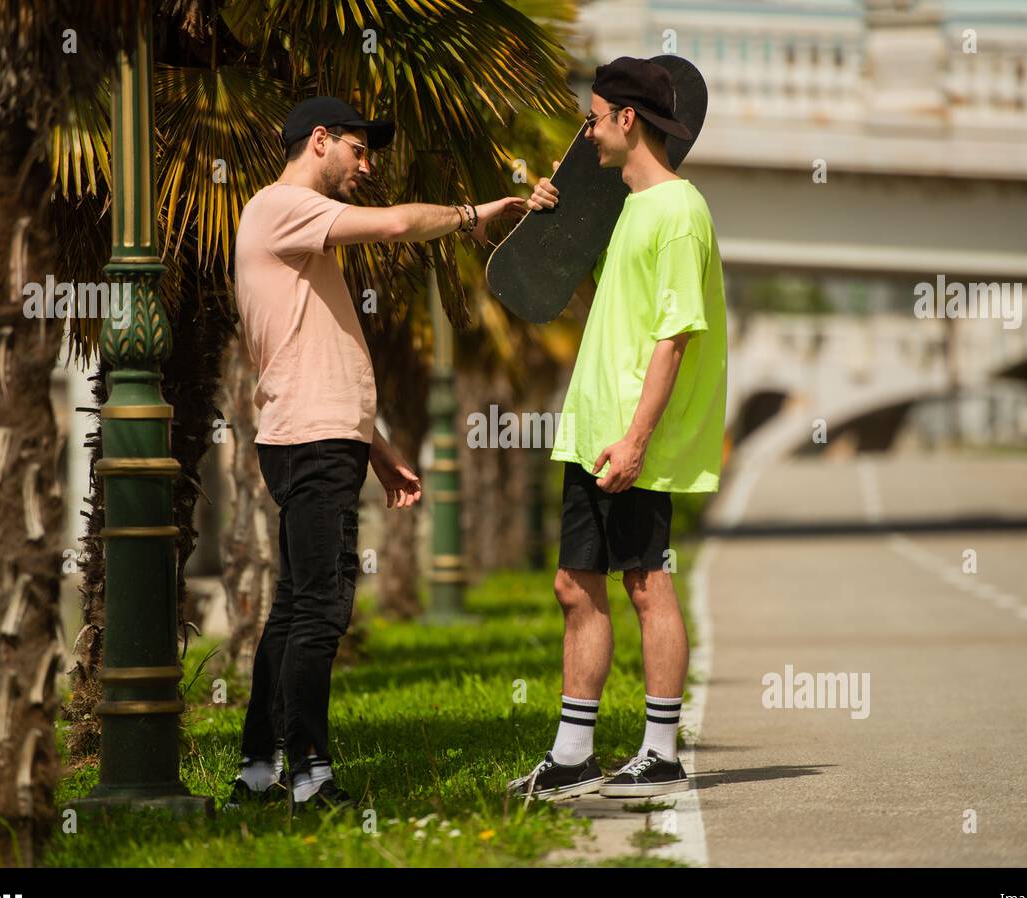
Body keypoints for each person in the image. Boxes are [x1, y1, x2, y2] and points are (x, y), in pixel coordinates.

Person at [228, 96, 526, 811]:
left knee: (296, 605)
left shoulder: (296, 233)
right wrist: (473, 216)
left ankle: (259, 770)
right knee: (322, 609)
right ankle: (311, 774)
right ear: (319, 140)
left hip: (318, 435)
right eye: (359, 151)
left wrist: (376, 446)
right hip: (312, 441)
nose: (368, 166)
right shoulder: (282, 206)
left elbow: (319, 353)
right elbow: (395, 225)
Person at [507, 57, 727, 800]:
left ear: (627, 120)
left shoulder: (678, 212)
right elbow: (588, 300)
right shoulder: (628, 209)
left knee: (645, 580)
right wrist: (546, 214)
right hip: (590, 426)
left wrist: (637, 438)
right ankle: (574, 754)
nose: (587, 131)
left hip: (634, 438)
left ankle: (660, 752)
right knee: (576, 584)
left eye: (594, 117)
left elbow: (673, 336)